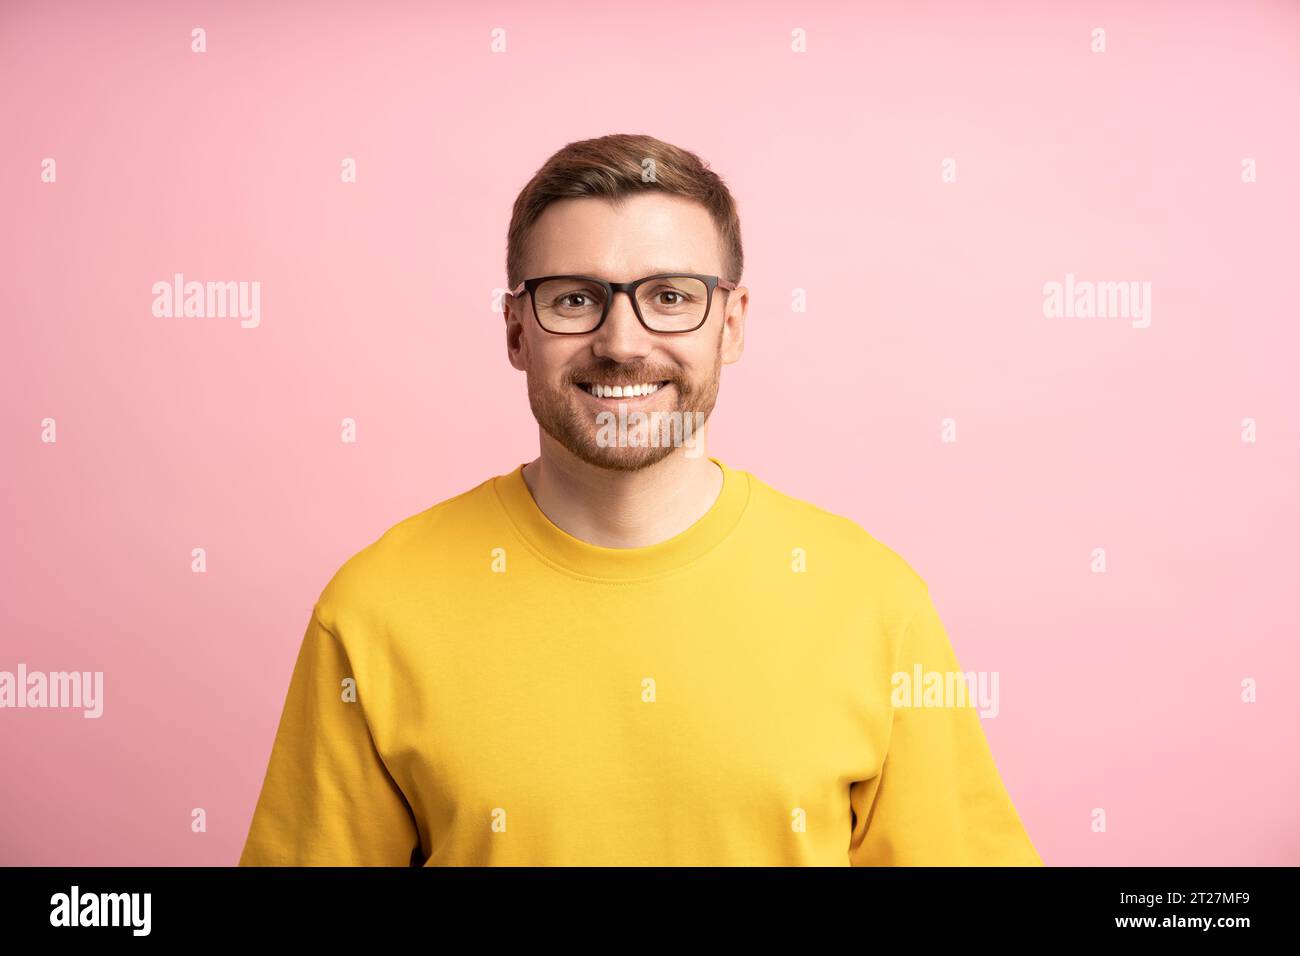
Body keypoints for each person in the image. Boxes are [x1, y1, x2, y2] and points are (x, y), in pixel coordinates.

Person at [238, 133, 1043, 866]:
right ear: (517, 330)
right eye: (575, 298)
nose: (622, 343)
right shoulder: (375, 609)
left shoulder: (875, 602)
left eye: (669, 296)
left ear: (731, 324)